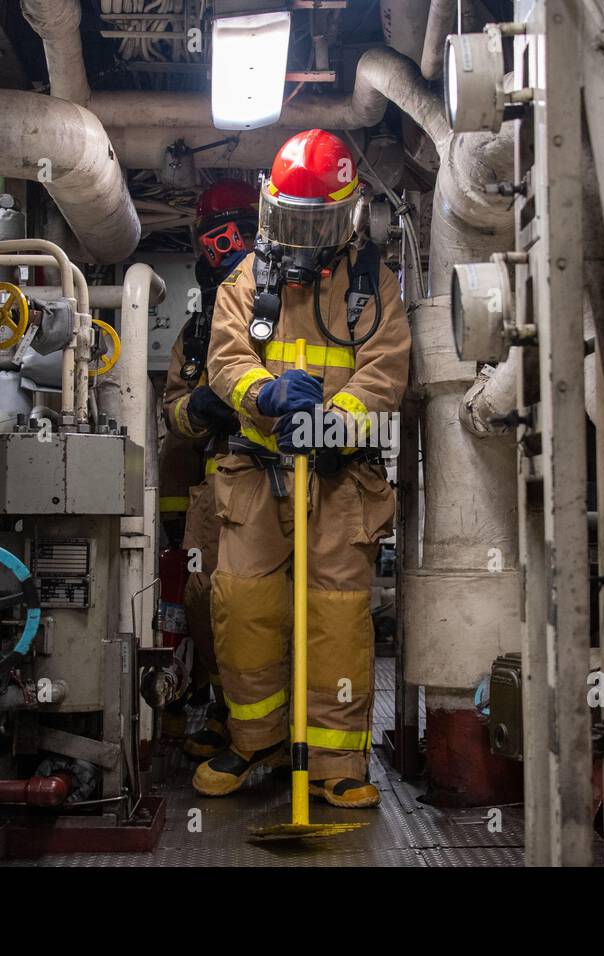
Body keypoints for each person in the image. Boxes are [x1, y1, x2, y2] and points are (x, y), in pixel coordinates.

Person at [192, 129, 410, 809]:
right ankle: (253, 738)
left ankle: (337, 760)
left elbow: (386, 371)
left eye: (316, 221)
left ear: (347, 215)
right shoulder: (244, 280)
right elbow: (226, 361)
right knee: (246, 606)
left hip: (342, 480)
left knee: (339, 617)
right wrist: (265, 395)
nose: (302, 234)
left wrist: (331, 419)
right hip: (255, 473)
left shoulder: (374, 285)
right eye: (291, 218)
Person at [159, 178, 260, 756]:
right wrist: (197, 406)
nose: (227, 249)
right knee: (207, 601)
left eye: (239, 232)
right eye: (218, 238)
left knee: (272, 604)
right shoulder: (194, 337)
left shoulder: (290, 311)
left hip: (283, 478)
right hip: (217, 485)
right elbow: (173, 415)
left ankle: (284, 726)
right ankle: (228, 714)